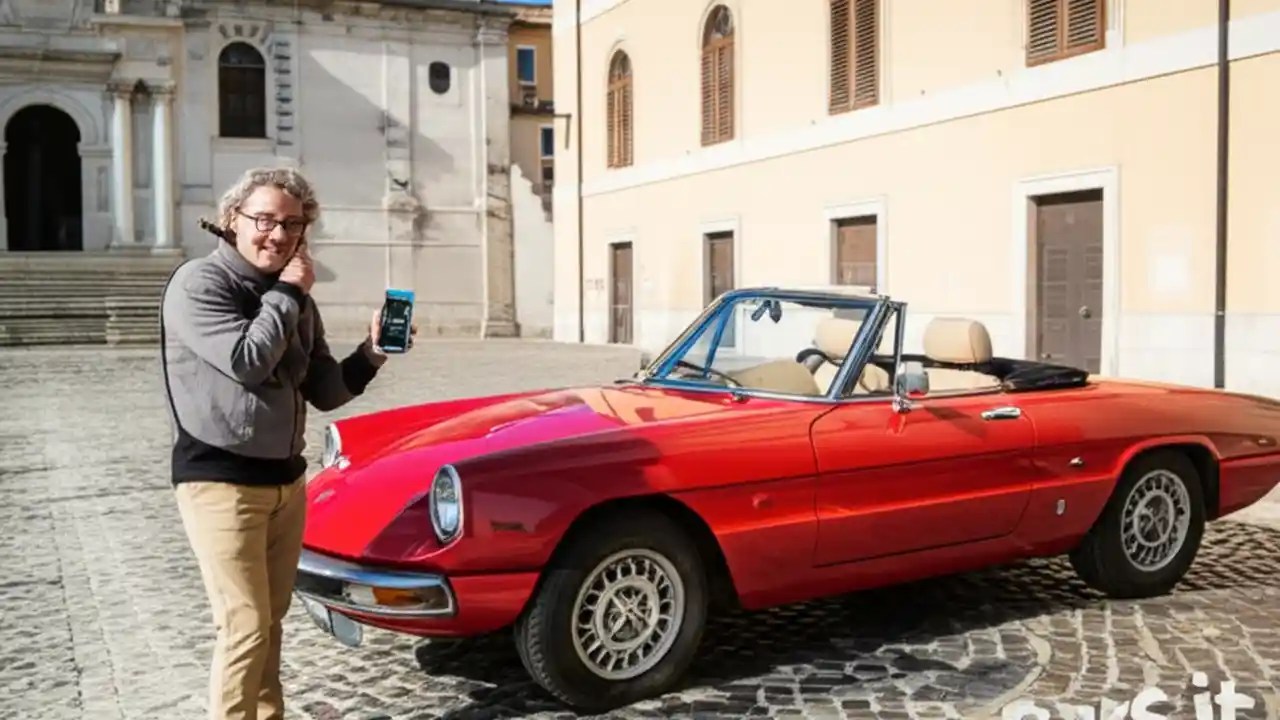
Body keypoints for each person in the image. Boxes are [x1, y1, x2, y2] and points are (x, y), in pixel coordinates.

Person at [159, 166, 409, 720]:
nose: (277, 234)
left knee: (270, 622)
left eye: (292, 224)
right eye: (264, 220)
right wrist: (290, 291)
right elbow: (247, 361)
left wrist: (372, 353)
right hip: (220, 483)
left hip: (286, 483)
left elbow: (325, 391)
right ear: (233, 220)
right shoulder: (199, 284)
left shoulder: (295, 302)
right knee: (244, 625)